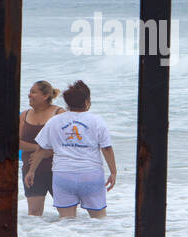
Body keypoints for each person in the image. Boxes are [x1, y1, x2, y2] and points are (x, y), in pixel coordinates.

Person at [24, 80, 116, 218]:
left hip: (63, 175)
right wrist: (113, 172)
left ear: (68, 103)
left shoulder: (55, 121)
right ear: (87, 101)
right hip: (90, 174)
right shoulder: (96, 121)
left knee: (66, 220)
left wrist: (31, 171)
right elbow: (106, 148)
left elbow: (41, 149)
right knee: (99, 219)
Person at [19, 81, 63, 216]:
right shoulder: (25, 114)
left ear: (45, 96)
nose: (29, 95)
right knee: (33, 213)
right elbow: (17, 142)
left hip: (56, 170)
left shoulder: (59, 113)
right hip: (31, 170)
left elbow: (68, 142)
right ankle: (35, 236)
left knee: (66, 213)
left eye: (33, 92)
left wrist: (49, 152)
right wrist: (40, 149)